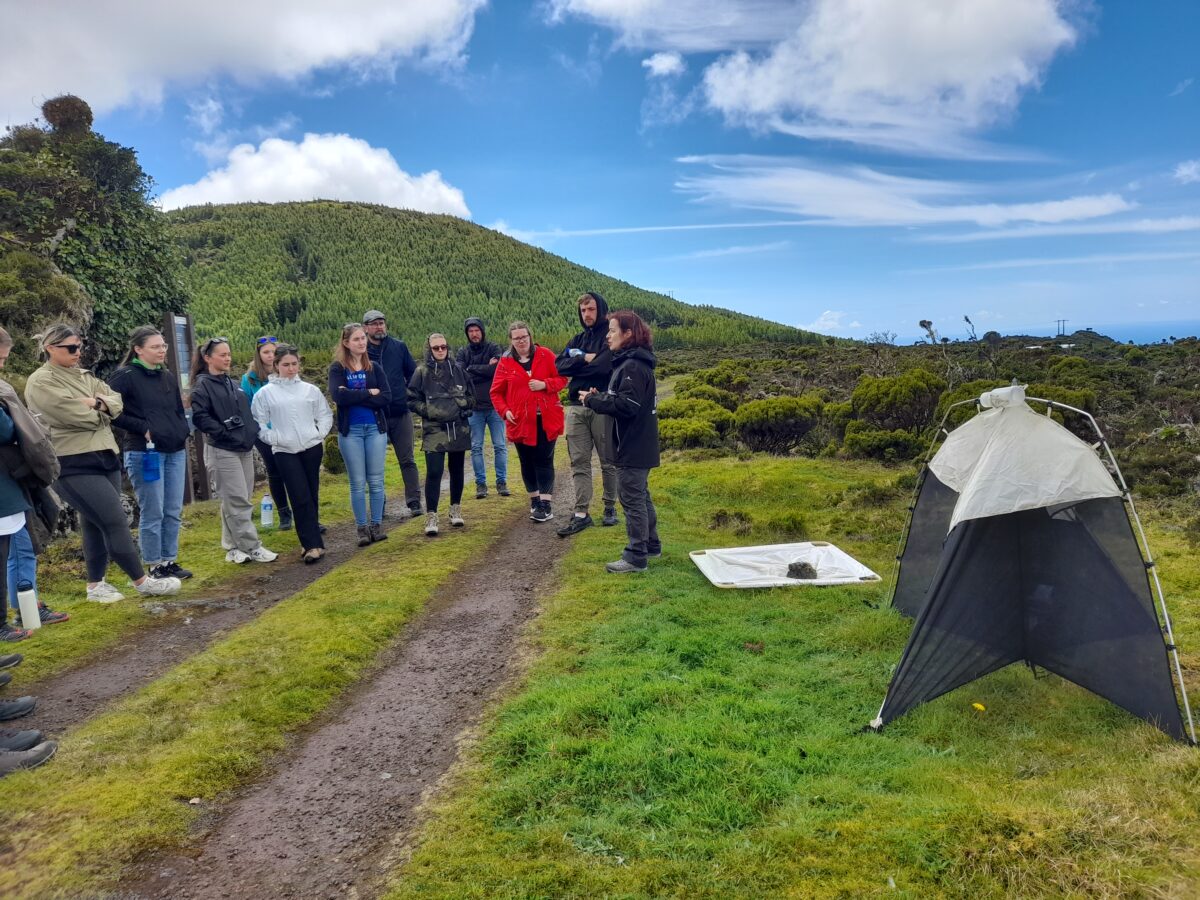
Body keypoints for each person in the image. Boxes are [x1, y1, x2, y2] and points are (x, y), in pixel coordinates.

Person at [25, 324, 182, 599]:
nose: (78, 352)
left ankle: (95, 585)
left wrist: (96, 404)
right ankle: (142, 581)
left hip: (104, 454)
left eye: (80, 346)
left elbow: (116, 401)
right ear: (50, 348)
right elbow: (73, 415)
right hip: (71, 460)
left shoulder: (85, 376)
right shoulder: (41, 381)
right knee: (114, 519)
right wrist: (102, 408)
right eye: (71, 347)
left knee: (93, 522)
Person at [108, 326, 193, 581]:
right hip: (145, 453)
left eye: (164, 346)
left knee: (172, 509)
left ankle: (169, 560)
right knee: (153, 510)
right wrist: (143, 428)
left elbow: (178, 409)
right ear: (138, 349)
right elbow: (111, 411)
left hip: (174, 450)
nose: (162, 350)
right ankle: (154, 565)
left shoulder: (166, 375)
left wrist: (182, 431)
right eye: (155, 346)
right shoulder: (124, 377)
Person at [580, 310, 662, 573]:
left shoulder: (633, 366)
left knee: (631, 499)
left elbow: (627, 405)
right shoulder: (632, 363)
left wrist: (592, 400)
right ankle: (651, 546)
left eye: (613, 330)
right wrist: (601, 396)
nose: (608, 335)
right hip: (639, 444)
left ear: (628, 334)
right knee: (641, 495)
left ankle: (636, 556)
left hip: (633, 445)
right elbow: (625, 398)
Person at [190, 337, 278, 566]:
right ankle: (252, 546)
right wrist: (223, 431)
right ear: (208, 358)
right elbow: (200, 418)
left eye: (228, 354)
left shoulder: (231, 382)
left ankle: (232, 547)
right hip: (222, 450)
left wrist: (249, 432)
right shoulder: (203, 386)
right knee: (237, 500)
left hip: (243, 448)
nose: (227, 358)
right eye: (222, 355)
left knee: (237, 499)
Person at [0, 329, 67, 627]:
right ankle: (22, 610)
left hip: (12, 477)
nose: (2, 366)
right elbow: (4, 429)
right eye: (0, 359)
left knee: (22, 544)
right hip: (6, 481)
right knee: (19, 546)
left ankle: (26, 605)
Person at [251, 345, 333, 563]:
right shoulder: (265, 394)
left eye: (294, 364)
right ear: (276, 365)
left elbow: (325, 415)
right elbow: (258, 423)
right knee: (298, 495)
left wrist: (318, 434)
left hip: (311, 447)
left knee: (311, 493)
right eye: (285, 364)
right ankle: (312, 545)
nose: (290, 368)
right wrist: (274, 438)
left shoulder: (310, 390)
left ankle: (310, 539)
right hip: (284, 450)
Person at [555, 291, 619, 537]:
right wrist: (586, 358)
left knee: (608, 460)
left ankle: (610, 508)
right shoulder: (578, 338)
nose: (587, 314)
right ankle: (581, 513)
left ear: (600, 309)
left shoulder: (609, 336)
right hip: (575, 407)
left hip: (602, 405)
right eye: (583, 310)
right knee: (578, 461)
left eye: (591, 309)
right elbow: (559, 365)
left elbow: (605, 365)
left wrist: (578, 360)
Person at [489, 322, 566, 524]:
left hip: (547, 419)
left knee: (544, 459)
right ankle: (534, 500)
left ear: (530, 336)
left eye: (524, 337)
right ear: (511, 341)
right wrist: (505, 412)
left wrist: (545, 384)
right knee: (527, 461)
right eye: (516, 338)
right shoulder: (505, 363)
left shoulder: (546, 355)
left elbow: (562, 379)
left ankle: (546, 505)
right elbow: (495, 392)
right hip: (520, 422)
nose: (521, 341)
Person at [329, 324, 391, 546]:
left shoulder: (374, 367)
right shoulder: (337, 369)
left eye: (363, 338)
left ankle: (376, 525)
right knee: (357, 482)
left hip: (375, 429)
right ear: (346, 343)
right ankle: (361, 528)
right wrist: (367, 393)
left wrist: (353, 394)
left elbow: (385, 397)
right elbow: (339, 396)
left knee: (376, 481)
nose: (362, 342)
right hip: (351, 431)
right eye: (356, 339)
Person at [408, 334, 472, 536]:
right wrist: (429, 411)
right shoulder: (421, 372)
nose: (440, 350)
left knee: (457, 469)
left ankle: (455, 509)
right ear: (429, 349)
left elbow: (472, 396)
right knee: (434, 472)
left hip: (458, 427)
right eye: (436, 348)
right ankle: (432, 515)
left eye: (443, 346)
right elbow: (410, 399)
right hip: (434, 429)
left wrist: (465, 406)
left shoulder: (459, 371)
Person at [363, 310, 421, 518]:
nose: (379, 327)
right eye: (374, 323)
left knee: (407, 459)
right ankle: (380, 505)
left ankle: (414, 501)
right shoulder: (361, 352)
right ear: (366, 328)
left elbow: (413, 374)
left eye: (381, 323)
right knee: (375, 464)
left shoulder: (399, 347)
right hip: (374, 414)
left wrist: (407, 396)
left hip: (400, 411)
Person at [242, 336, 293, 531]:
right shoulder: (250, 379)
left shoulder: (286, 373)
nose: (270, 356)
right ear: (259, 354)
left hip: (287, 430)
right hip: (264, 434)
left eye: (273, 352)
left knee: (294, 472)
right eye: (266, 352)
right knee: (275, 472)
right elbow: (247, 407)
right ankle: (283, 513)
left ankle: (304, 511)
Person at [456, 318, 508, 499]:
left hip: (495, 406)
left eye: (477, 330)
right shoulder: (463, 352)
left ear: (482, 331)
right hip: (474, 408)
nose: (474, 334)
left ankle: (501, 482)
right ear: (467, 333)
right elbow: (461, 375)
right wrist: (485, 368)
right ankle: (481, 485)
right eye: (470, 331)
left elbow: (498, 371)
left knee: (500, 446)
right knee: (476, 447)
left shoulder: (494, 348)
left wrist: (472, 369)